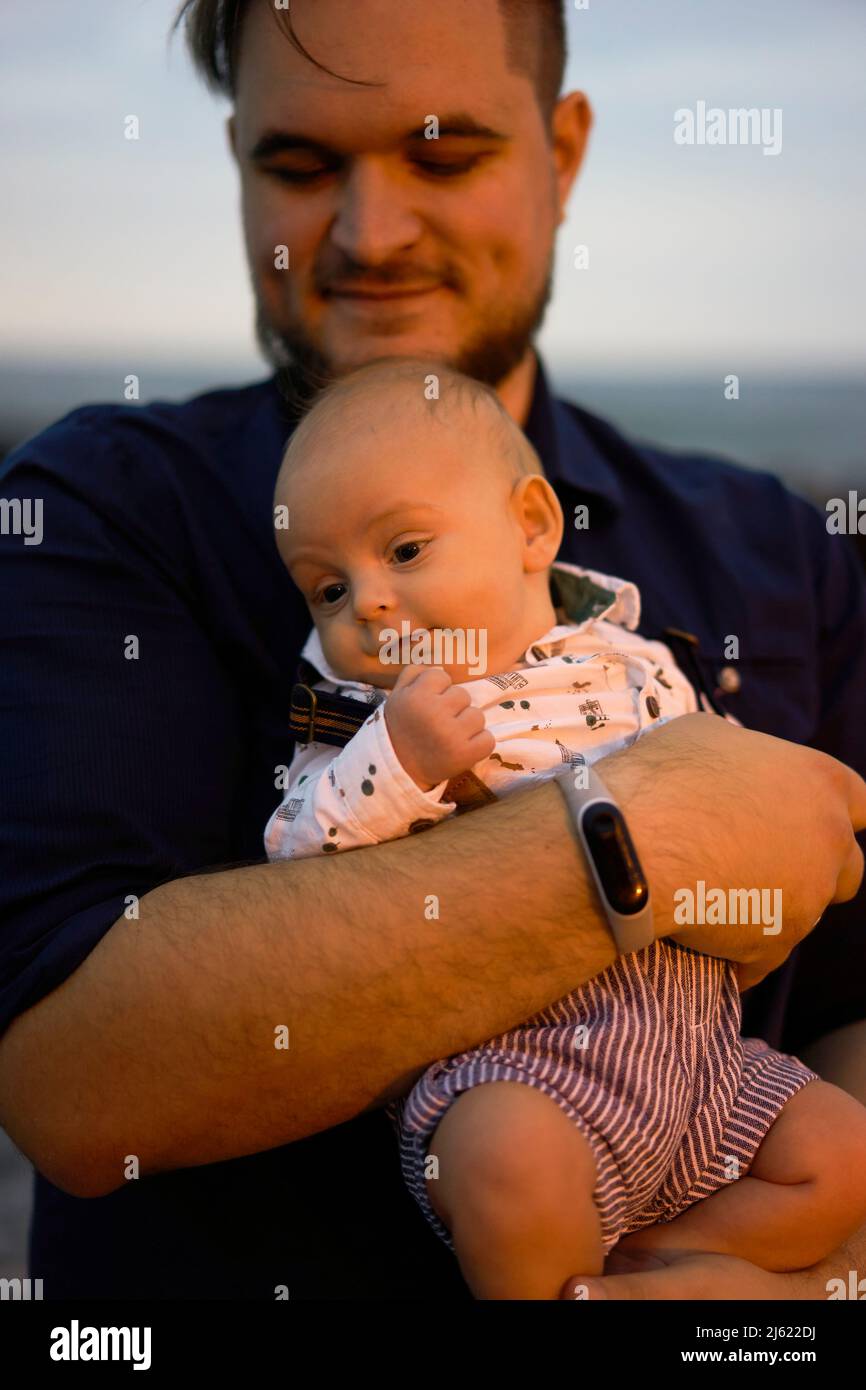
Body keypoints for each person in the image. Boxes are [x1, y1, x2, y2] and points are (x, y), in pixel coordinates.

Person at [0, 0, 864, 1301]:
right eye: (298, 166)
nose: (368, 234)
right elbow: (68, 1081)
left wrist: (811, 1288)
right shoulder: (96, 507)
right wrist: (631, 832)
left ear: (562, 155)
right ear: (235, 160)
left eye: (443, 154)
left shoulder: (774, 549)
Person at [263, 358, 866, 1300]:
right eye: (327, 591)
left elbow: (737, 789)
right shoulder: (358, 722)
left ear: (534, 528)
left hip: (703, 1067)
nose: (368, 603)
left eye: (406, 551)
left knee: (841, 1157)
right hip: (520, 1072)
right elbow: (297, 852)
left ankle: (647, 1272)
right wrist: (402, 766)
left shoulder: (637, 656)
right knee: (506, 1172)